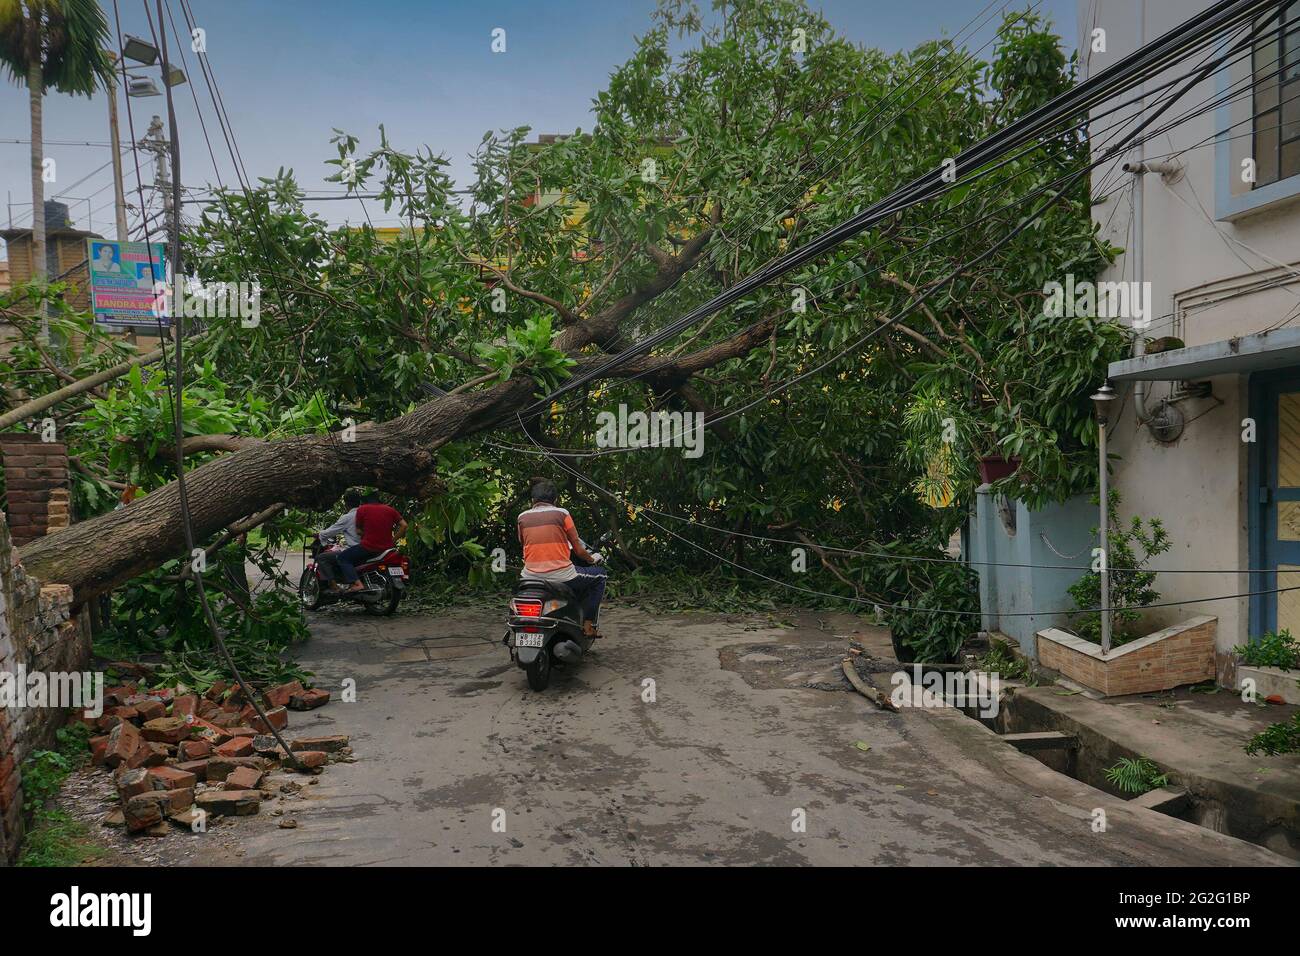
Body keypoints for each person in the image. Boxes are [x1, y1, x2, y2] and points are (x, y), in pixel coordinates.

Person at [517, 479, 606, 637]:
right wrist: (592, 559)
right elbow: (578, 550)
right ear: (555, 500)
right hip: (561, 575)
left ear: (533, 500)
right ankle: (588, 625)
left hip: (529, 576)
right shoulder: (562, 514)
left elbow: (523, 543)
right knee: (600, 575)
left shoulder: (522, 517)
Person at [336, 492, 407, 593]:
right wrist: (393, 540)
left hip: (368, 547)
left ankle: (358, 584)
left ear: (364, 501)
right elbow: (404, 525)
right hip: (387, 549)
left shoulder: (362, 509)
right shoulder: (390, 510)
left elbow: (358, 531)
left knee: (342, 558)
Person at [316, 490, 361, 589]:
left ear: (346, 504)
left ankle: (333, 585)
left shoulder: (348, 517)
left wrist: (320, 534)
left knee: (322, 558)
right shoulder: (365, 514)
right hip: (368, 548)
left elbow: (331, 531)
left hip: (355, 549)